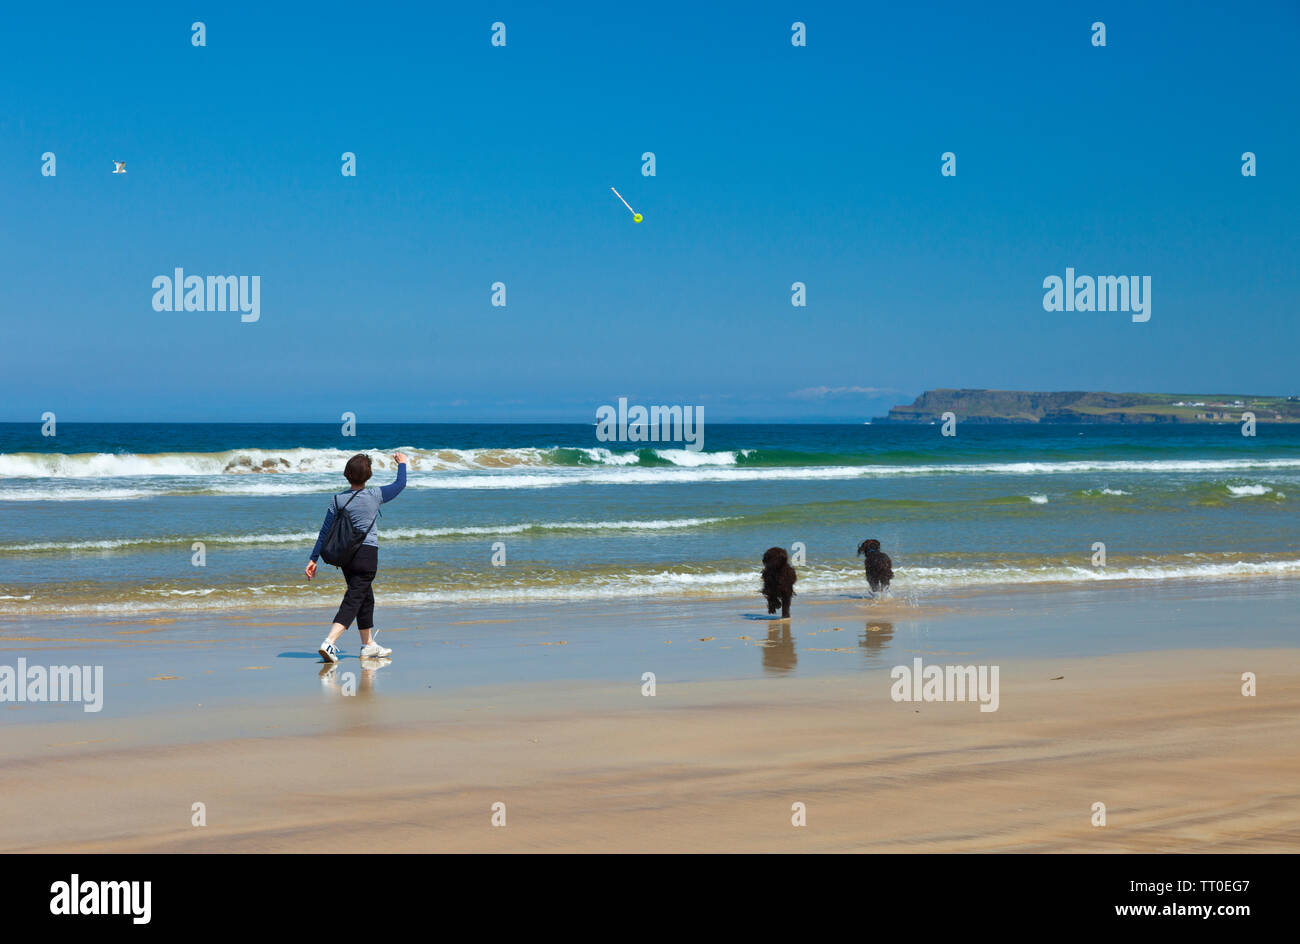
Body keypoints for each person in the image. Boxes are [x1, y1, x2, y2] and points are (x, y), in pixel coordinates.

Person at [306, 452, 407, 662]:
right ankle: (329, 642)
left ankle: (368, 645)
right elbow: (400, 484)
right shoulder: (374, 495)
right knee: (354, 599)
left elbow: (325, 532)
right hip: (367, 555)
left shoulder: (337, 500)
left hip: (346, 557)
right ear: (368, 476)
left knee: (364, 597)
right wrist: (402, 463)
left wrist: (313, 558)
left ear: (347, 475)